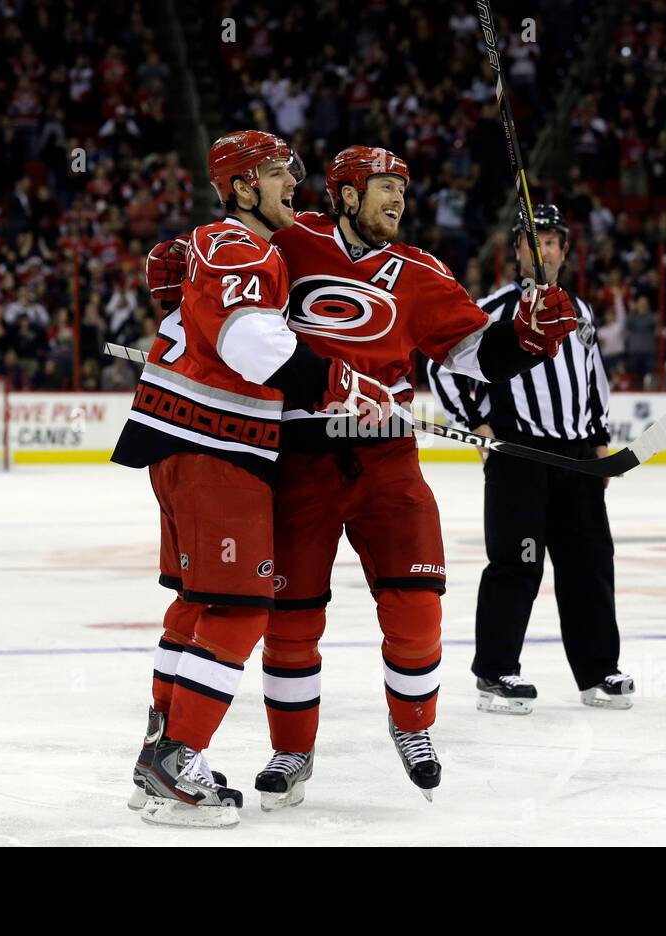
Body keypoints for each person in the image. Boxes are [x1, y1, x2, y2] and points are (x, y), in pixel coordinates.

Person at [147, 145, 577, 809]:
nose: (397, 200)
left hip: (386, 459)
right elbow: (229, 254)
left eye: (402, 188)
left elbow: (475, 356)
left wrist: (524, 338)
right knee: (289, 621)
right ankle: (291, 748)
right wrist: (182, 264)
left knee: (416, 607)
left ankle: (414, 728)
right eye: (382, 187)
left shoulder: (422, 272)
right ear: (346, 194)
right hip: (297, 459)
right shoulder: (292, 240)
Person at [114, 131, 389, 828]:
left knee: (196, 602)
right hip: (213, 445)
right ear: (241, 188)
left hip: (187, 440)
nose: (291, 182)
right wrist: (337, 384)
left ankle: (159, 753)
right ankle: (180, 758)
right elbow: (248, 342)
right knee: (240, 607)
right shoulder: (241, 245)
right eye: (275, 173)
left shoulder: (218, 245)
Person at [428, 204, 633, 714]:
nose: (541, 249)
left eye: (550, 240)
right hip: (518, 455)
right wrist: (476, 422)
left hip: (577, 457)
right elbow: (441, 366)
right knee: (516, 564)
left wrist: (600, 438)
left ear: (563, 250)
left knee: (589, 564)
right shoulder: (493, 308)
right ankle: (496, 673)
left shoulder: (580, 311)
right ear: (516, 249)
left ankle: (598, 671)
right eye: (530, 240)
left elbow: (593, 378)